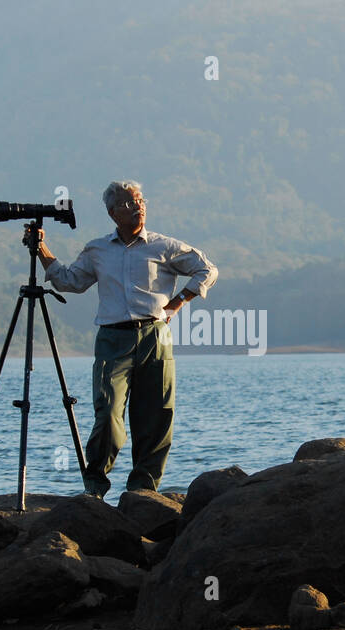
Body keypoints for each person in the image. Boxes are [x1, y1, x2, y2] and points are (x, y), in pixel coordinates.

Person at [23, 180, 217, 497]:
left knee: (156, 415)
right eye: (128, 203)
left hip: (156, 335)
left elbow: (207, 269)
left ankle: (143, 491)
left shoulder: (163, 246)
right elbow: (69, 281)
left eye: (140, 200)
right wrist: (42, 249)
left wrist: (180, 300)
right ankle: (95, 486)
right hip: (113, 339)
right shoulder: (98, 249)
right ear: (113, 213)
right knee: (109, 413)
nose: (137, 206)